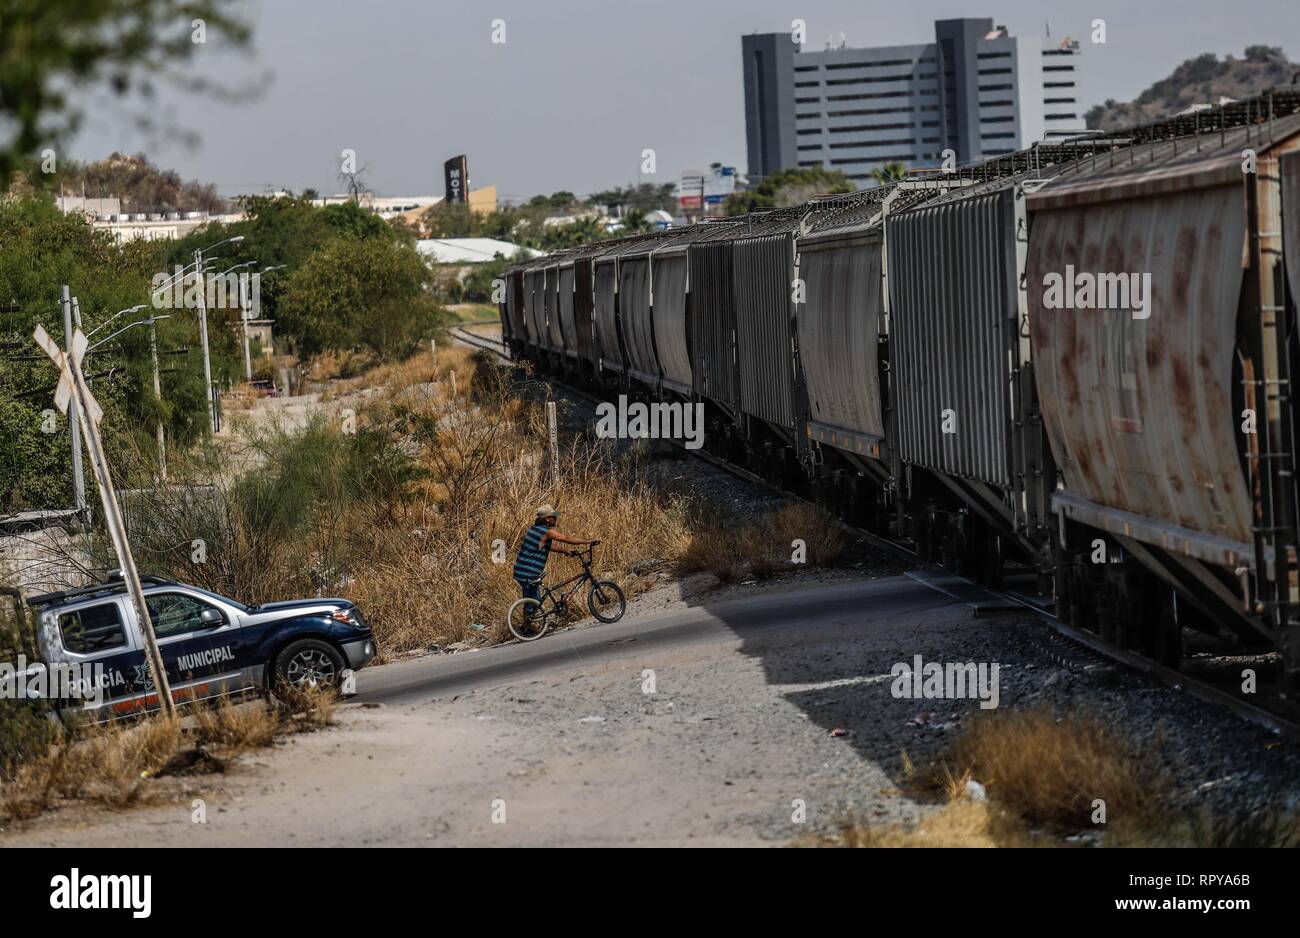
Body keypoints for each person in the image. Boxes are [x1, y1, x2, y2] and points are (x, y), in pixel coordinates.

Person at [512, 504, 596, 604]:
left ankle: (530, 617)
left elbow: (545, 546)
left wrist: (564, 550)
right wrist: (589, 541)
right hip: (528, 572)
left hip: (521, 570)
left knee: (533, 601)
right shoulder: (547, 532)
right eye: (554, 517)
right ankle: (528, 619)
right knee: (533, 603)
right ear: (547, 518)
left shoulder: (534, 529)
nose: (555, 519)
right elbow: (566, 538)